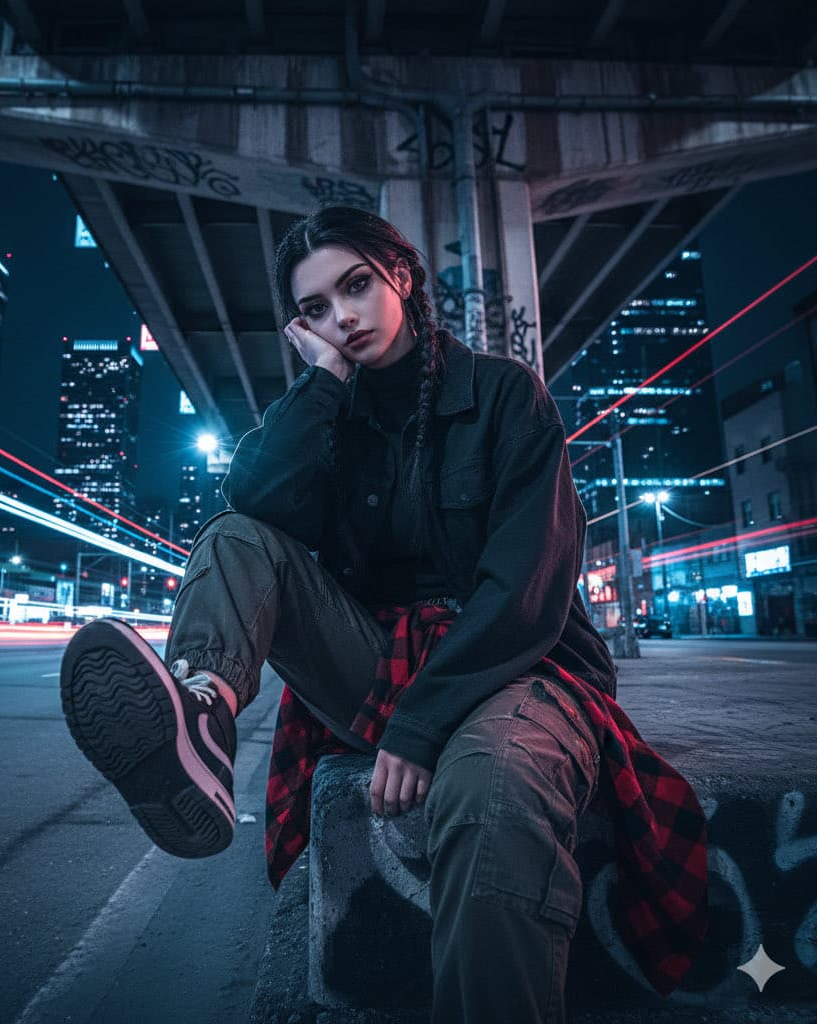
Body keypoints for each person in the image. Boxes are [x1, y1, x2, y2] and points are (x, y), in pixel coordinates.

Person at [59, 206, 708, 1023]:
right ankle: (203, 716)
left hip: (520, 666)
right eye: (316, 310)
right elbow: (251, 503)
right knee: (234, 540)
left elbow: (526, 589)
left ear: (400, 273)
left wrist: (420, 725)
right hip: (382, 660)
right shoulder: (333, 415)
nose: (343, 317)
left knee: (493, 788)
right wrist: (321, 382)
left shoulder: (506, 396)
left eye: (356, 286)